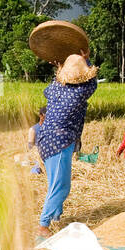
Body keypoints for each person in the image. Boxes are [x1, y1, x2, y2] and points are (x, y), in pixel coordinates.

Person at [36, 53, 98, 237]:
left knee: (54, 182)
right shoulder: (78, 93)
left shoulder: (55, 90)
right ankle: (43, 225)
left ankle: (55, 218)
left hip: (45, 140)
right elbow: (92, 83)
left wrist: (60, 68)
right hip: (60, 142)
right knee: (61, 186)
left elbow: (47, 89)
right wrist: (86, 60)